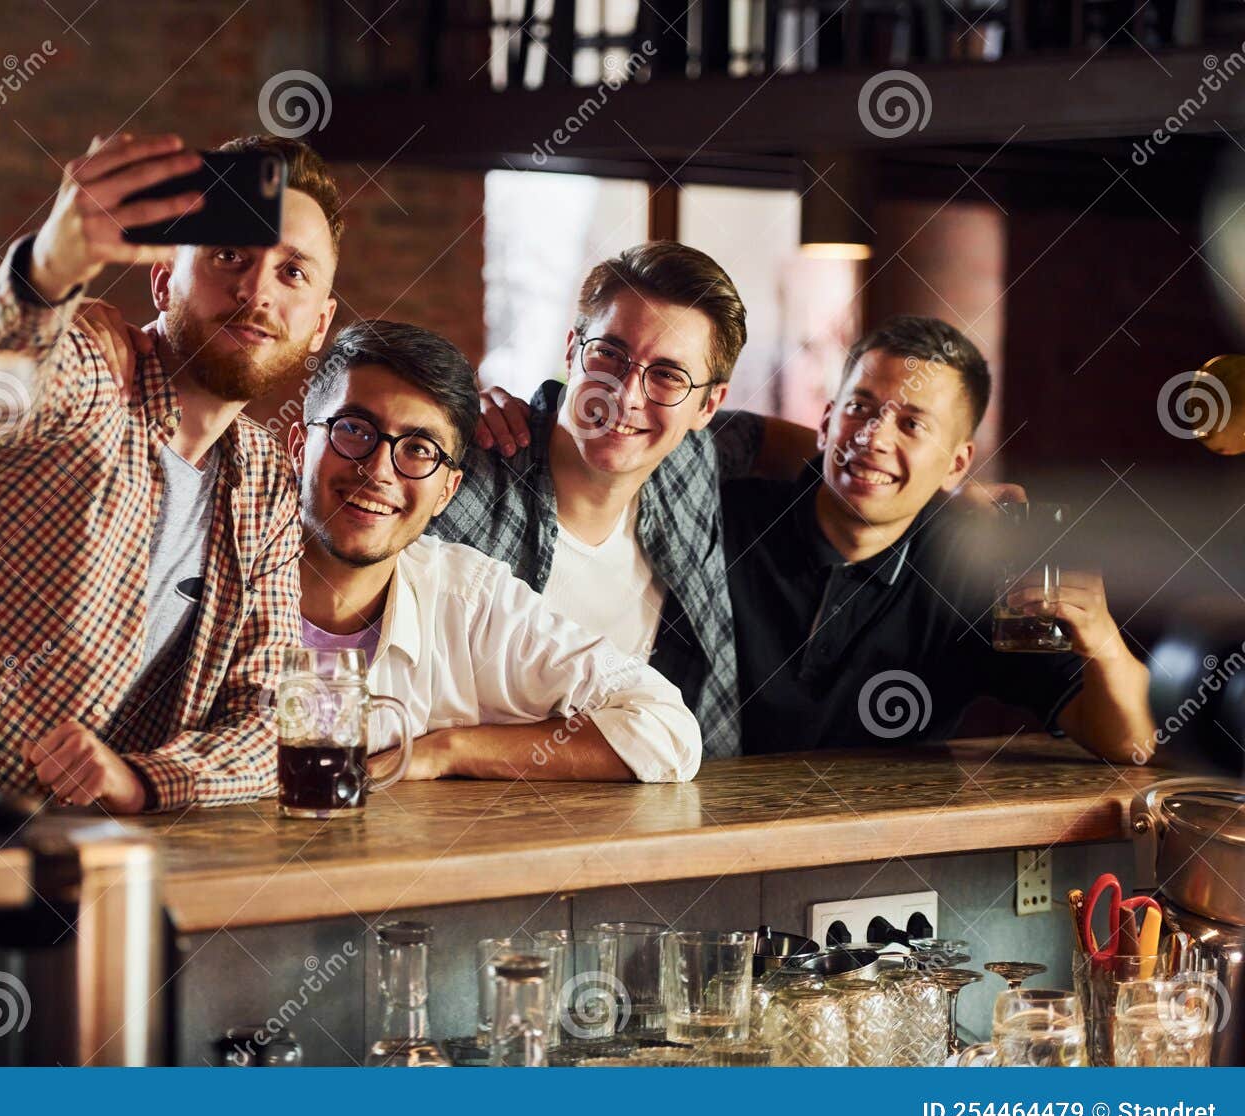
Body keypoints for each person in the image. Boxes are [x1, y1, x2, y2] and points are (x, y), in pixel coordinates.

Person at [0, 132, 342, 815]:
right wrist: (49, 270)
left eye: (293, 272)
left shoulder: (264, 486)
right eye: (229, 254)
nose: (255, 289)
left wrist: (140, 780)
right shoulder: (90, 367)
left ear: (319, 325)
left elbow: (268, 716)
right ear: (164, 276)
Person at [720, 316, 1157, 761]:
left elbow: (1132, 744)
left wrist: (1100, 637)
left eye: (911, 425)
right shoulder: (725, 518)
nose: (874, 438)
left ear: (956, 463)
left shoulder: (972, 570)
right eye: (859, 409)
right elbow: (693, 440)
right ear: (827, 420)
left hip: (892, 827)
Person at [291, 319, 703, 781]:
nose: (379, 471)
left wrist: (449, 749)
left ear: (447, 491)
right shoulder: (219, 572)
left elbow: (666, 729)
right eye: (354, 430)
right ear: (297, 446)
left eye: (420, 449)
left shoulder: (469, 599)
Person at [428, 242, 785, 760]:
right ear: (572, 350)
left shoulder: (691, 462)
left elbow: (772, 441)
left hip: (686, 811)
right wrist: (451, 418)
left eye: (667, 374)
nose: (626, 394)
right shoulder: (465, 485)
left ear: (708, 406)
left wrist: (935, 496)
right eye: (609, 354)